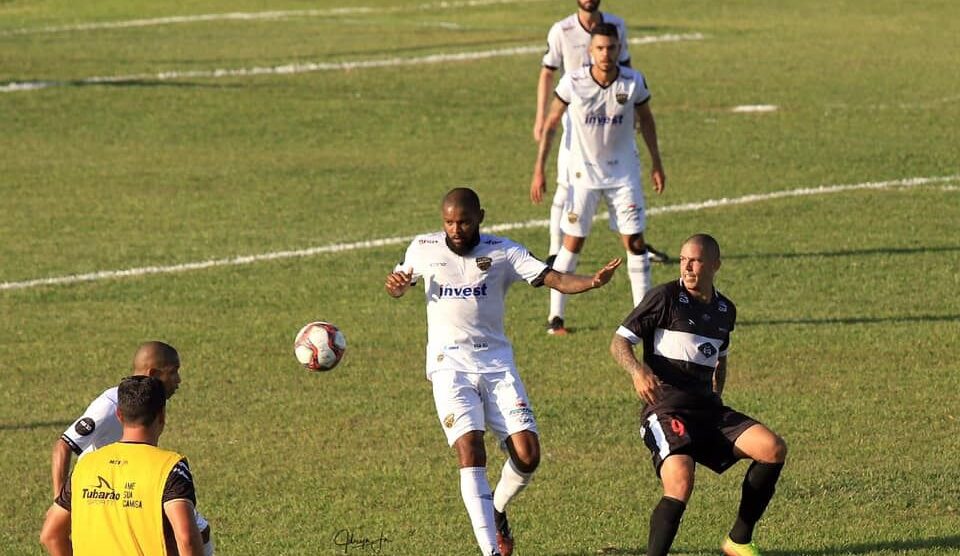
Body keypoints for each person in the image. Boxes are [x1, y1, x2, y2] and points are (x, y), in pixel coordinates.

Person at [385, 187, 621, 556]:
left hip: (496, 365)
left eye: (463, 221)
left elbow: (552, 277)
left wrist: (591, 282)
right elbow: (399, 281)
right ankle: (490, 551)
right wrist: (396, 287)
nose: (456, 229)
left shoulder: (504, 251)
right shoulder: (423, 247)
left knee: (528, 455)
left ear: (480, 216)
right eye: (448, 222)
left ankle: (496, 508)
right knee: (470, 448)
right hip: (450, 367)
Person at [609, 234, 787, 556]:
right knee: (680, 481)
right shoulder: (664, 297)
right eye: (682, 260)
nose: (687, 268)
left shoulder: (725, 310)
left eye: (695, 261)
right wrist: (637, 371)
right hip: (666, 411)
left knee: (772, 449)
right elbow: (619, 341)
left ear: (714, 265)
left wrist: (716, 396)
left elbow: (721, 358)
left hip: (708, 410)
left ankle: (738, 541)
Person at [532, 22, 667, 336]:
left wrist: (656, 163)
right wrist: (539, 168)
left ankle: (642, 318)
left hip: (624, 175)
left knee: (635, 242)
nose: (606, 54)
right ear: (590, 51)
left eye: (611, 48)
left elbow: (646, 120)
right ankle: (556, 319)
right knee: (573, 244)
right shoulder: (573, 82)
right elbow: (551, 124)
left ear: (620, 49)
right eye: (600, 48)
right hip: (583, 177)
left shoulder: (633, 82)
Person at [49, 341, 214, 554]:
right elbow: (63, 446)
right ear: (153, 373)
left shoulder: (141, 403)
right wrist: (63, 503)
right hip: (104, 486)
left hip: (131, 480)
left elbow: (51, 535)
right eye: (173, 372)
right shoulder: (109, 405)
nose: (178, 380)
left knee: (199, 531)